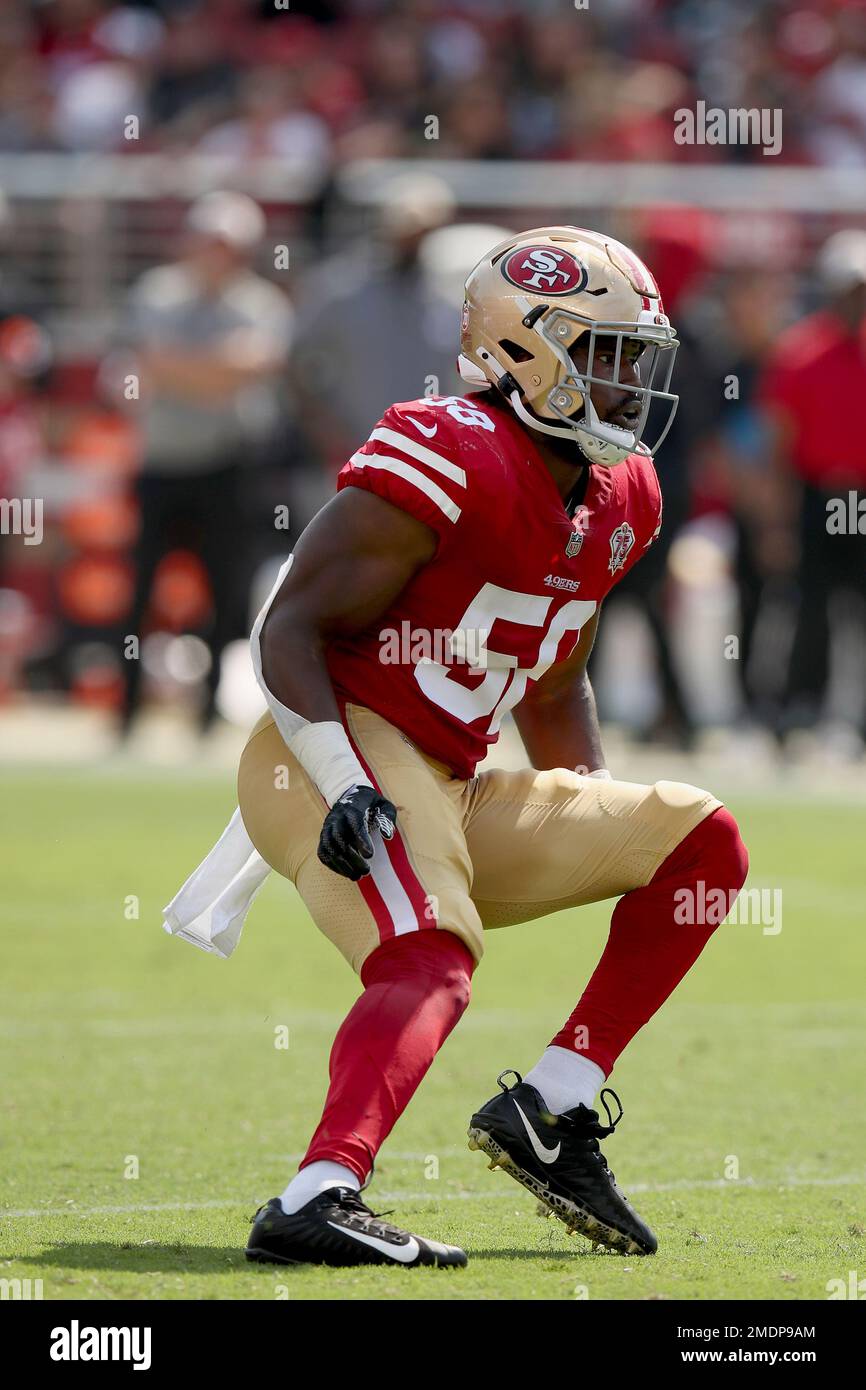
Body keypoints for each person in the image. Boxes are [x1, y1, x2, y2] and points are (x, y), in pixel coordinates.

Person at [164, 227, 748, 1269]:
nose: (626, 383)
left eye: (633, 357)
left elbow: (557, 676)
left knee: (700, 845)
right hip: (324, 751)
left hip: (449, 775)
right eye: (602, 354)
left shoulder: (625, 497)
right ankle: (317, 1193)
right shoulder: (447, 447)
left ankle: (551, 1109)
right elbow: (288, 627)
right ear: (521, 349)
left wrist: (594, 818)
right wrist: (344, 781)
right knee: (432, 954)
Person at [120, 190, 293, 734]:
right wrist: (215, 371)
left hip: (227, 465)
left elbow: (243, 367)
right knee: (141, 590)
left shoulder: (261, 304)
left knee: (226, 589)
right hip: (163, 463)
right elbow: (160, 364)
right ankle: (125, 711)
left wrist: (184, 371)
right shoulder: (158, 293)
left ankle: (207, 709)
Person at [760, 229, 866, 746]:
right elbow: (780, 445)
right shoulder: (800, 352)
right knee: (810, 608)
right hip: (816, 495)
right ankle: (802, 709)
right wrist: (777, 521)